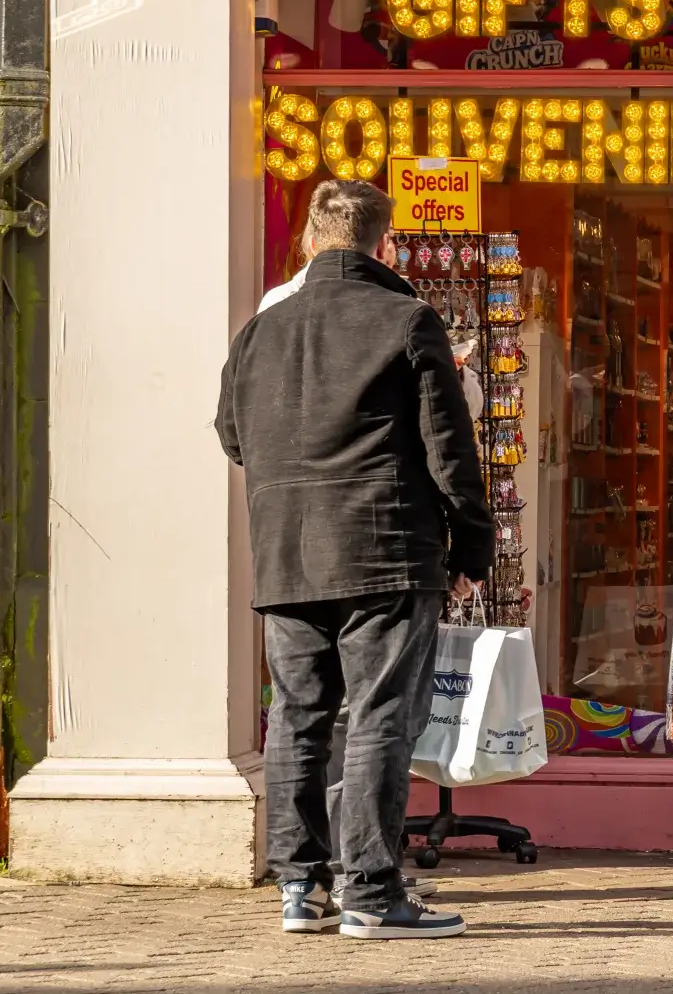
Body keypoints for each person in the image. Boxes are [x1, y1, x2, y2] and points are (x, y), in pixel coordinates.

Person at [214, 179, 493, 941]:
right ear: (386, 245)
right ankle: (370, 890)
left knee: (298, 721)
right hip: (385, 550)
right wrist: (472, 545)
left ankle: (298, 889)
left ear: (310, 240)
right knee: (377, 720)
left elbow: (231, 436)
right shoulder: (407, 319)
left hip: (286, 554)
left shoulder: (258, 331)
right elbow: (451, 450)